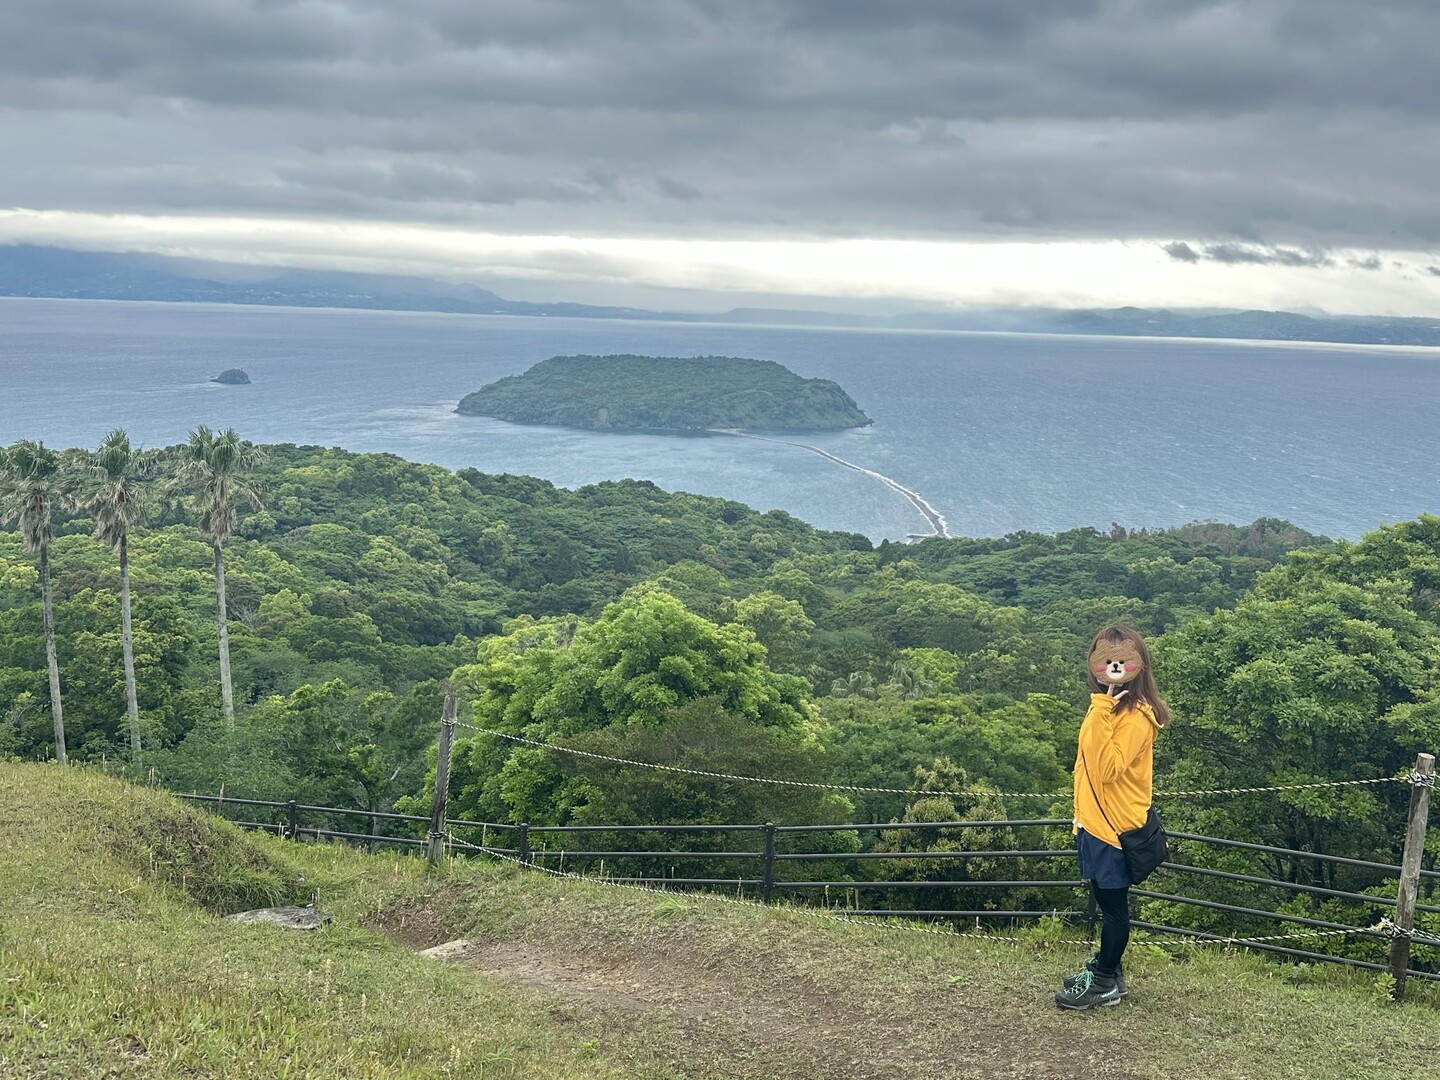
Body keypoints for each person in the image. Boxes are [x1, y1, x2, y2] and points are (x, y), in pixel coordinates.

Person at [1054, 624, 1169, 1010]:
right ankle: (1109, 970)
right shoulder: (1111, 707)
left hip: (1115, 829)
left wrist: (1100, 708)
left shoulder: (1136, 715)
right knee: (1108, 904)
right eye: (1106, 658)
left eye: (1122, 659)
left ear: (1138, 666)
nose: (1113, 665)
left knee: (1114, 909)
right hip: (1095, 823)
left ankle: (1104, 981)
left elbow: (1106, 769)